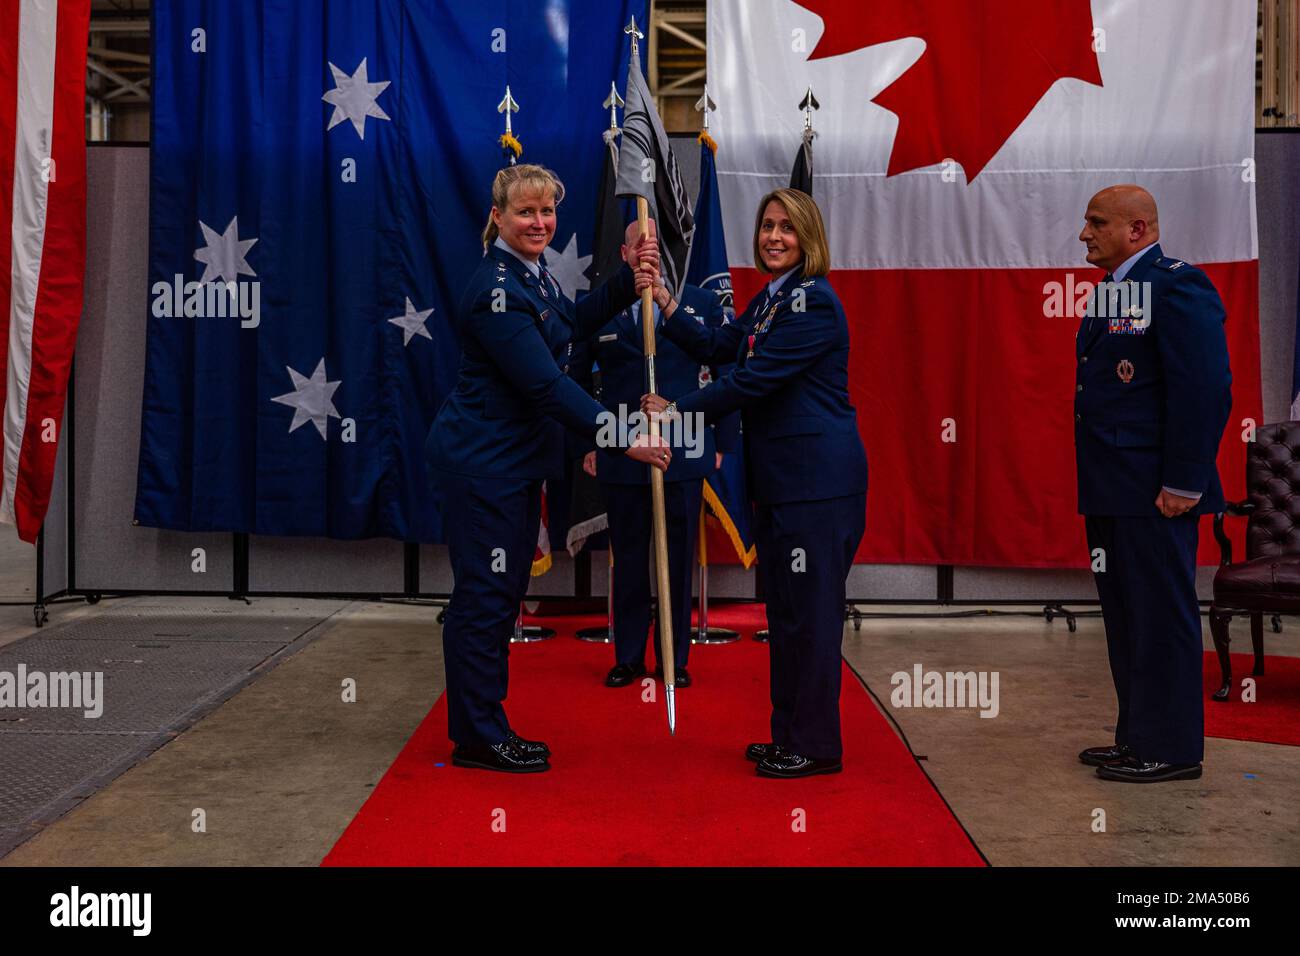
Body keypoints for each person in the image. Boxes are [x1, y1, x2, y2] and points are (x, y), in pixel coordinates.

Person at [425, 163, 669, 774]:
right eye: (526, 212)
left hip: (509, 464)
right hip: (485, 467)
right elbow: (545, 387)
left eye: (547, 212)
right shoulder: (497, 291)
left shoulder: (529, 276)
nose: (540, 222)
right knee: (484, 598)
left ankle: (483, 723)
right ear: (498, 218)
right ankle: (479, 735)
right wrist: (623, 436)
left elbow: (569, 325)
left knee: (497, 593)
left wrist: (625, 281)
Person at [642, 187, 868, 779]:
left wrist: (677, 412)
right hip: (786, 486)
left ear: (808, 239)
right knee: (789, 616)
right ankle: (789, 735)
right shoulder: (773, 300)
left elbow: (750, 380)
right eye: (767, 226)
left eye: (786, 229)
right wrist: (666, 301)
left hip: (816, 488)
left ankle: (815, 746)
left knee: (811, 618)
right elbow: (723, 347)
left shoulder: (812, 303)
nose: (773, 237)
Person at [1073, 184, 1231, 783]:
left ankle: (1170, 748)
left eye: (1096, 222)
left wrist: (1186, 481)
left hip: (1158, 493)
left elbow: (1205, 387)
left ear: (1137, 230)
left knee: (1161, 616)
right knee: (1126, 616)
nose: (1084, 233)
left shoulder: (1177, 284)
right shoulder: (1113, 292)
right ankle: (1138, 736)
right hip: (1115, 489)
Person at [571, 219, 740, 691]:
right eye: (639, 247)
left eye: (657, 249)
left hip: (683, 445)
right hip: (622, 448)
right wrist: (590, 441)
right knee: (628, 559)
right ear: (625, 254)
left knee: (677, 559)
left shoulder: (701, 305)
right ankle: (627, 656)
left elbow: (725, 372)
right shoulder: (598, 309)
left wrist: (723, 443)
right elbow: (577, 381)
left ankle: (673, 657)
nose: (649, 255)